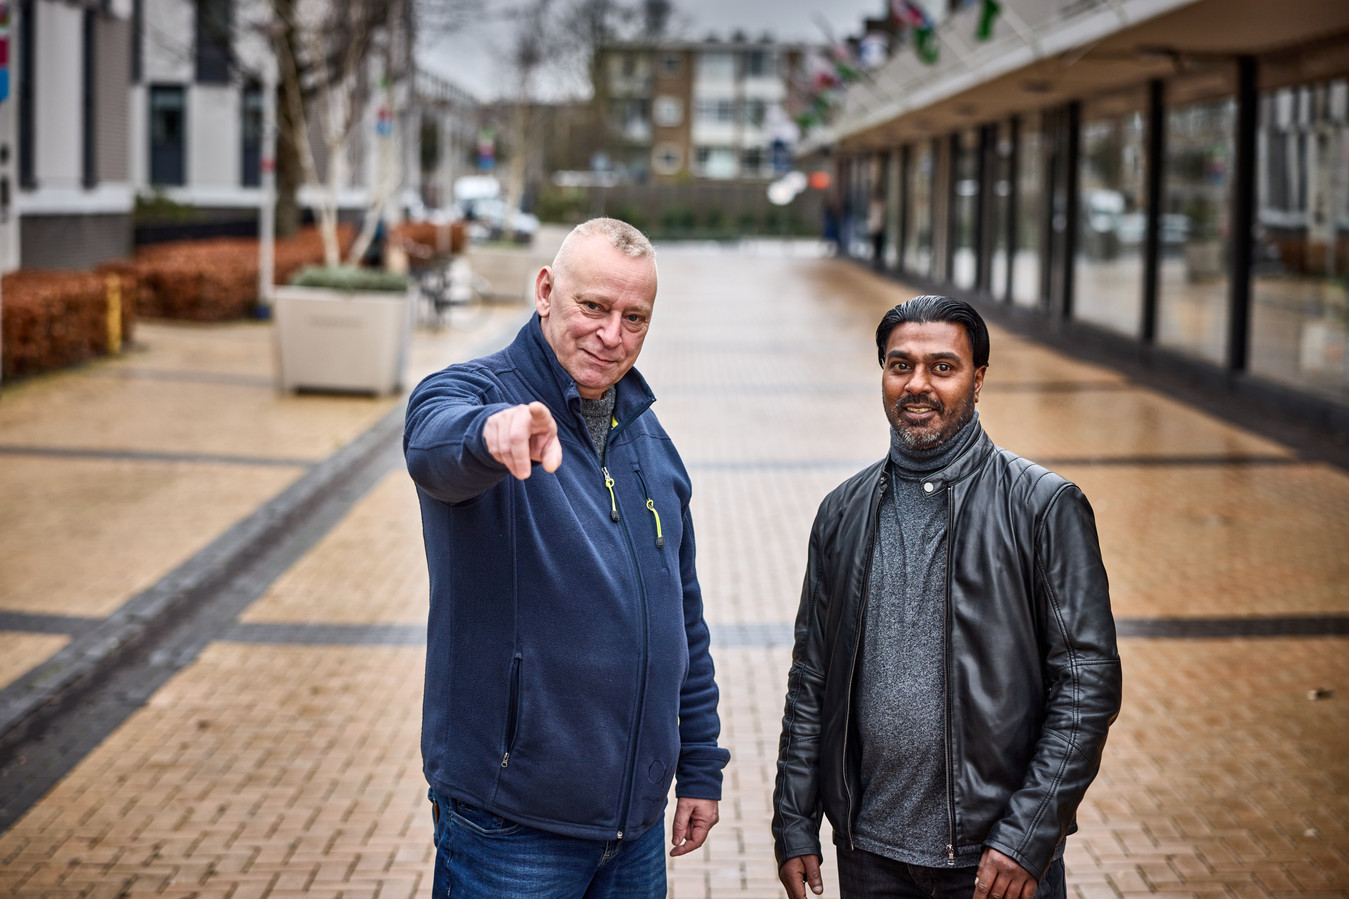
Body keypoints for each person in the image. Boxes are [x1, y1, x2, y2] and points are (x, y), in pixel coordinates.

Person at [404, 218, 730, 897]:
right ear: (545, 290)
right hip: (512, 829)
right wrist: (488, 436)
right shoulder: (476, 394)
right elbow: (432, 447)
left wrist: (699, 763)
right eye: (594, 307)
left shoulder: (648, 440)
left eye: (633, 317)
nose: (612, 335)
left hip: (634, 835)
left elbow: (682, 619)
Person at [772, 295, 1121, 899]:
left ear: (978, 380)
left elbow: (1087, 685)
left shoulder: (1042, 508)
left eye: (942, 366)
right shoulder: (842, 513)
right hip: (869, 855)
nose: (918, 384)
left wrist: (1028, 836)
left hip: (994, 861)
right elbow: (812, 679)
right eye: (900, 364)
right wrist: (794, 820)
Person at [866, 191, 886, 270]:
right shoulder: (875, 207)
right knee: (877, 245)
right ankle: (876, 259)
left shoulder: (878, 206)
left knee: (879, 245)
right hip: (876, 228)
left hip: (878, 228)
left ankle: (877, 259)